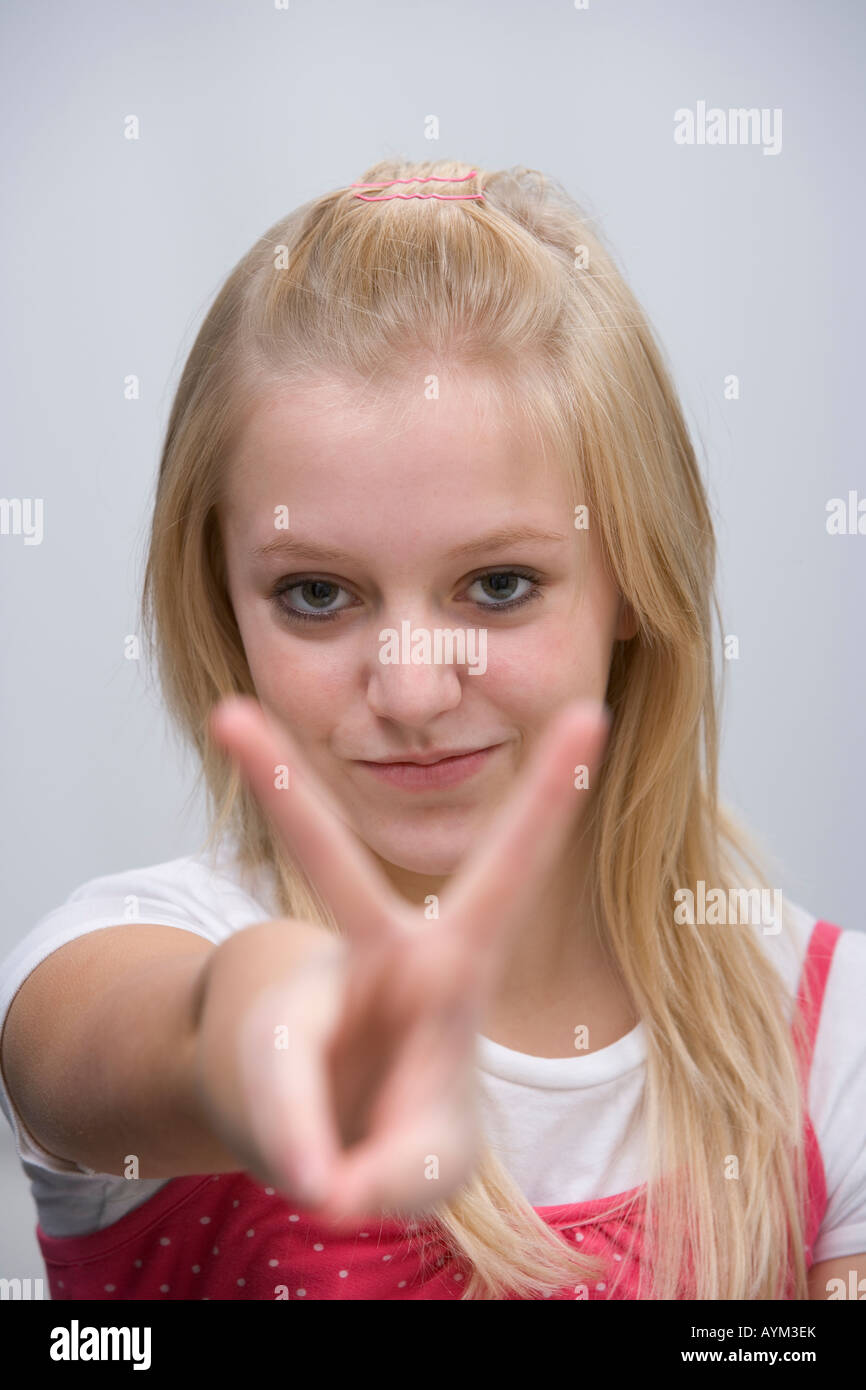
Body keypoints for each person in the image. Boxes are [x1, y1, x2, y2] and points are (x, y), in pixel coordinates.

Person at [1, 160, 864, 1301]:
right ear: (218, 600)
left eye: (497, 584)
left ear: (634, 589)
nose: (409, 693)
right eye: (317, 594)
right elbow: (114, 1052)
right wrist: (276, 1036)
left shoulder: (826, 1035)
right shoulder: (121, 952)